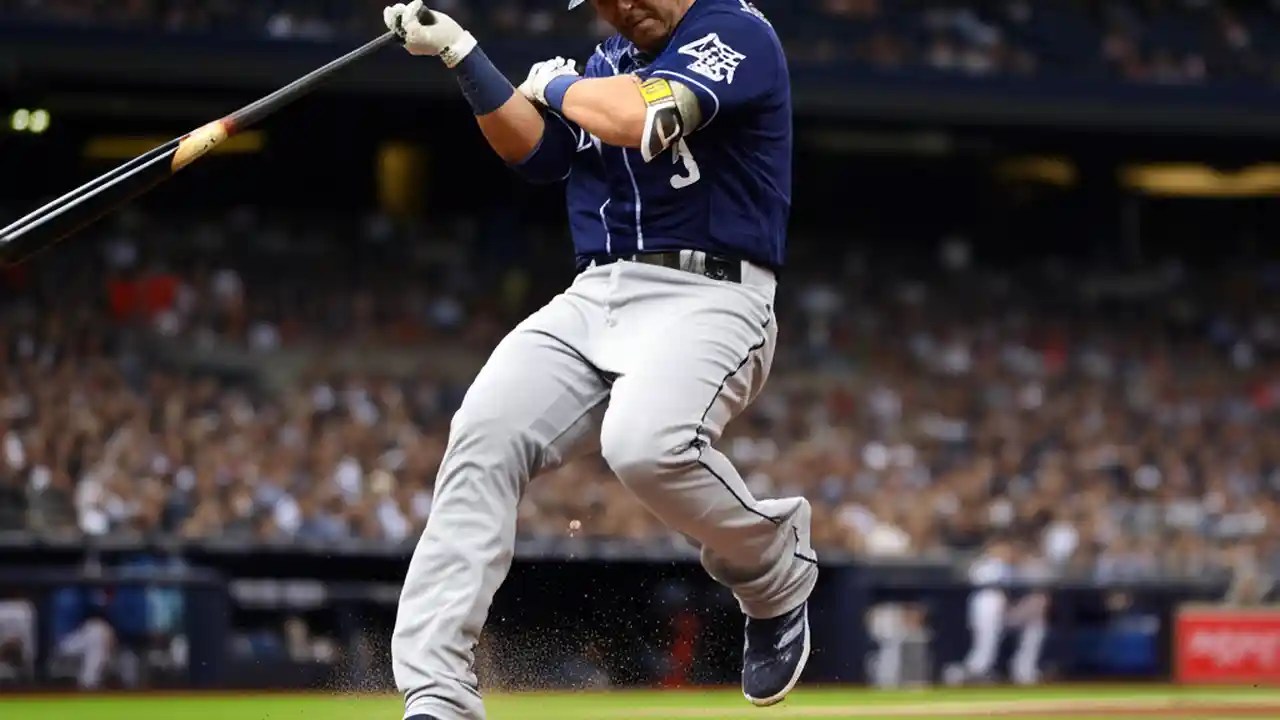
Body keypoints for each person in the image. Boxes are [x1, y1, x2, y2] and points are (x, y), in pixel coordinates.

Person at [380, 1, 817, 718]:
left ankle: (772, 568)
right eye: (603, 1)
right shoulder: (605, 63)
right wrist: (463, 54)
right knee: (483, 434)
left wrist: (554, 88)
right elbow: (537, 154)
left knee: (644, 445)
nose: (620, 8)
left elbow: (644, 119)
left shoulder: (735, 30)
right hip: (596, 292)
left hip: (712, 292)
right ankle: (438, 696)